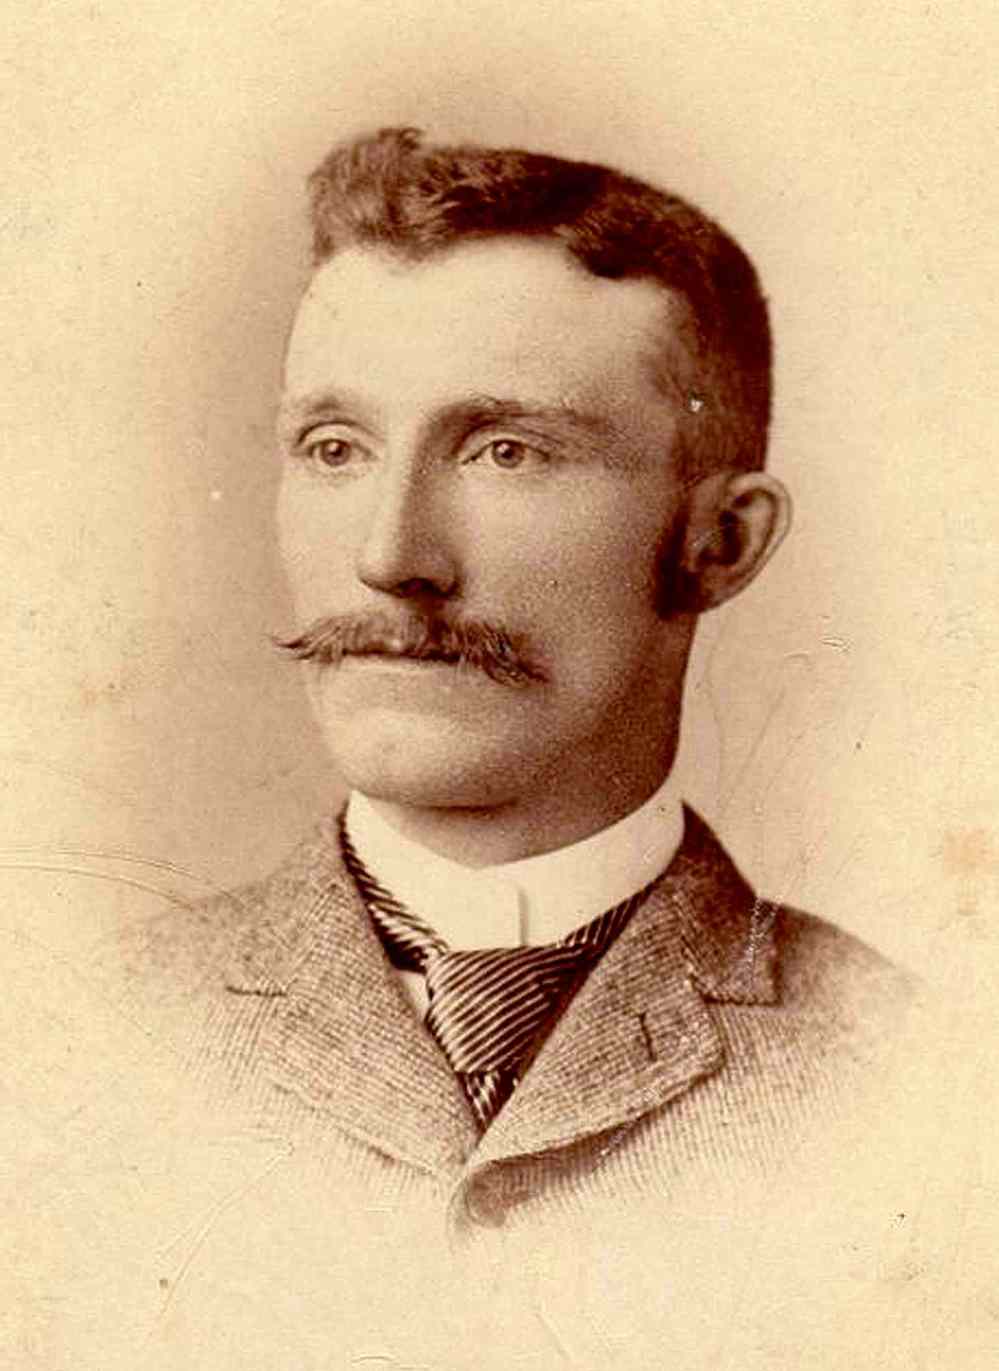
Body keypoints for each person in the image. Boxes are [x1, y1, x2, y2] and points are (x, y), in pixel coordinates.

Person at [77, 127, 984, 1368]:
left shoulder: (929, 1085)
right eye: (336, 449)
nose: (391, 556)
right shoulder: (71, 1042)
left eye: (508, 451)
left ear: (720, 544)